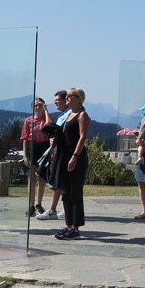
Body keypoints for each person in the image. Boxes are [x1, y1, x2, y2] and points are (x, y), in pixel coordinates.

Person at [54, 87, 90, 240]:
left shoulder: (82, 115)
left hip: (76, 157)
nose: (67, 98)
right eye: (67, 95)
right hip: (64, 156)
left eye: (70, 95)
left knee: (75, 193)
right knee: (66, 193)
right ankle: (68, 225)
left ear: (78, 98)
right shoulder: (69, 115)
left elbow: (82, 137)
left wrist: (75, 156)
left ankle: (75, 228)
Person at [39, 90, 69, 219]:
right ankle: (66, 208)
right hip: (58, 150)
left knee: (57, 180)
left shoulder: (69, 114)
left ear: (65, 100)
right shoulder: (63, 115)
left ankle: (53, 210)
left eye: (57, 100)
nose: (55, 102)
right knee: (61, 181)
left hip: (63, 152)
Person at [20, 98, 49, 217]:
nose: (37, 108)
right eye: (35, 105)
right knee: (32, 177)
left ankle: (39, 204)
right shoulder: (28, 120)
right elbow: (25, 138)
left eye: (40, 105)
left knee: (41, 178)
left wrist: (46, 112)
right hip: (33, 146)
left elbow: (49, 127)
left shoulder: (47, 118)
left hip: (44, 146)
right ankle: (31, 205)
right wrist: (25, 155)